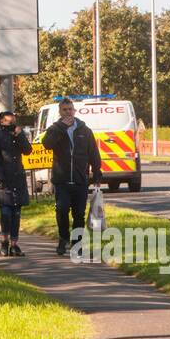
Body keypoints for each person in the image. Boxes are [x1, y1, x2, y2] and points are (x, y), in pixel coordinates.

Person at [42, 97, 103, 256]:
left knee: (79, 214)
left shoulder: (84, 130)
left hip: (80, 179)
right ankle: (63, 238)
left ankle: (77, 244)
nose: (68, 112)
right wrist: (61, 128)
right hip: (61, 179)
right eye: (65, 110)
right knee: (62, 209)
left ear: (74, 111)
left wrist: (96, 174)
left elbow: (93, 154)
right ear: (60, 112)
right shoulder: (55, 129)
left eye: (70, 109)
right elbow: (47, 144)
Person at [0, 111, 32, 256]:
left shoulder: (18, 134)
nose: (10, 124)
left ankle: (14, 244)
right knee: (6, 212)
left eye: (12, 121)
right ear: (1, 121)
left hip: (17, 178)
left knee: (16, 213)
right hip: (3, 179)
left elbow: (27, 150)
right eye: (7, 121)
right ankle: (4, 241)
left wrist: (20, 136)